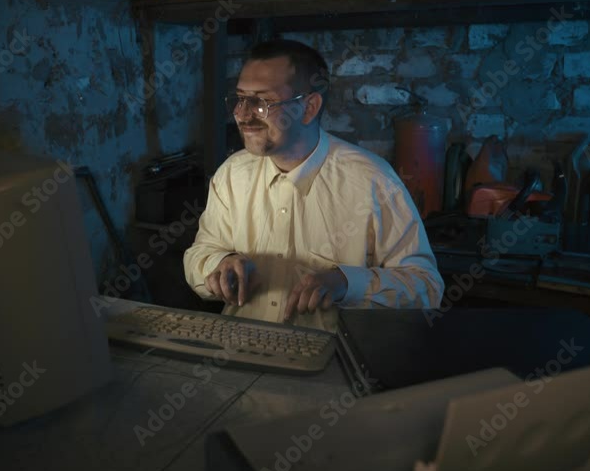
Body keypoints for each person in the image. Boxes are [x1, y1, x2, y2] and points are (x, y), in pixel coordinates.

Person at [183, 39, 444, 332]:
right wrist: (220, 263)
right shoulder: (232, 174)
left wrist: (347, 283)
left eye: (261, 102)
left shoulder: (374, 180)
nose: (242, 115)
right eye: (240, 99)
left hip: (333, 354)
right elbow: (199, 254)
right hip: (240, 346)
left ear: (309, 108)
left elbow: (426, 287)